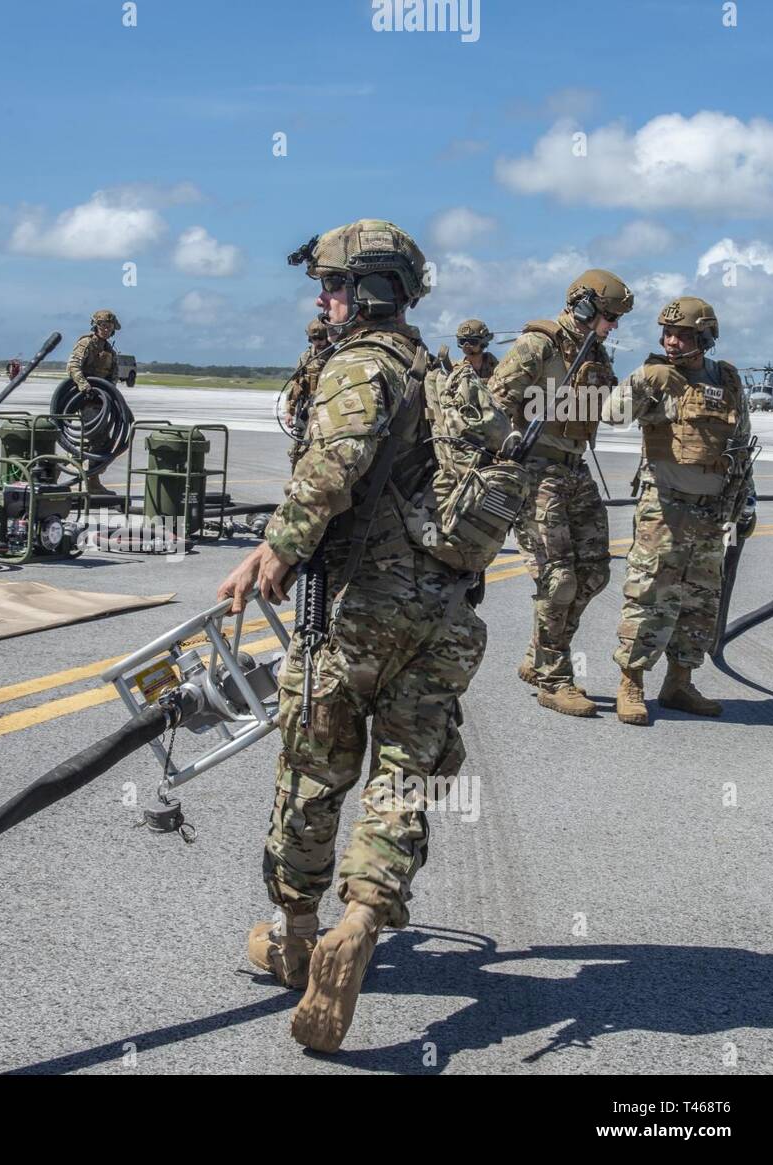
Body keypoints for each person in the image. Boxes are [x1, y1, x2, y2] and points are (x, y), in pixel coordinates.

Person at [218, 220, 488, 1053]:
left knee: (314, 766)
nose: (323, 299)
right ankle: (364, 917)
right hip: (439, 612)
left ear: (370, 291)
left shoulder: (360, 362)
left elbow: (332, 461)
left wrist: (280, 545)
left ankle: (300, 937)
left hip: (355, 612)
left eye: (334, 285)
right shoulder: (433, 369)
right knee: (405, 776)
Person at [602, 297, 756, 724]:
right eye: (667, 333)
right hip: (664, 507)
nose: (671, 341)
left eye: (682, 335)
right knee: (649, 594)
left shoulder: (725, 378)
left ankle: (679, 682)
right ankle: (630, 682)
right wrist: (641, 381)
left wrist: (748, 501)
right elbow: (612, 415)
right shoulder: (656, 375)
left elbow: (740, 442)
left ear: (704, 337)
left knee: (699, 600)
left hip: (711, 511)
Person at [487, 270, 633, 716]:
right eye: (608, 316)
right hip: (536, 471)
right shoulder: (539, 345)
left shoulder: (594, 353)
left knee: (593, 574)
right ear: (584, 305)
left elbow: (609, 413)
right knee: (559, 579)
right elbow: (494, 401)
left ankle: (539, 654)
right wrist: (504, 453)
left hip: (573, 469)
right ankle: (555, 679)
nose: (613, 326)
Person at [66, 309, 124, 495]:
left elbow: (112, 377)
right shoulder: (87, 343)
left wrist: (109, 395)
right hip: (85, 400)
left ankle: (89, 472)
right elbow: (73, 366)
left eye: (109, 327)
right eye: (103, 326)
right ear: (96, 326)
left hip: (102, 402)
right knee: (99, 439)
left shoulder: (110, 351)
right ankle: (90, 478)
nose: (106, 330)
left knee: (106, 443)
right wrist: (84, 386)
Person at [284, 317, 333, 464]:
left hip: (327, 407)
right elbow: (296, 384)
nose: (317, 342)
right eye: (313, 339)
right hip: (307, 407)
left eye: (320, 339)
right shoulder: (306, 357)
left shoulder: (335, 356)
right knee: (298, 447)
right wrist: (289, 411)